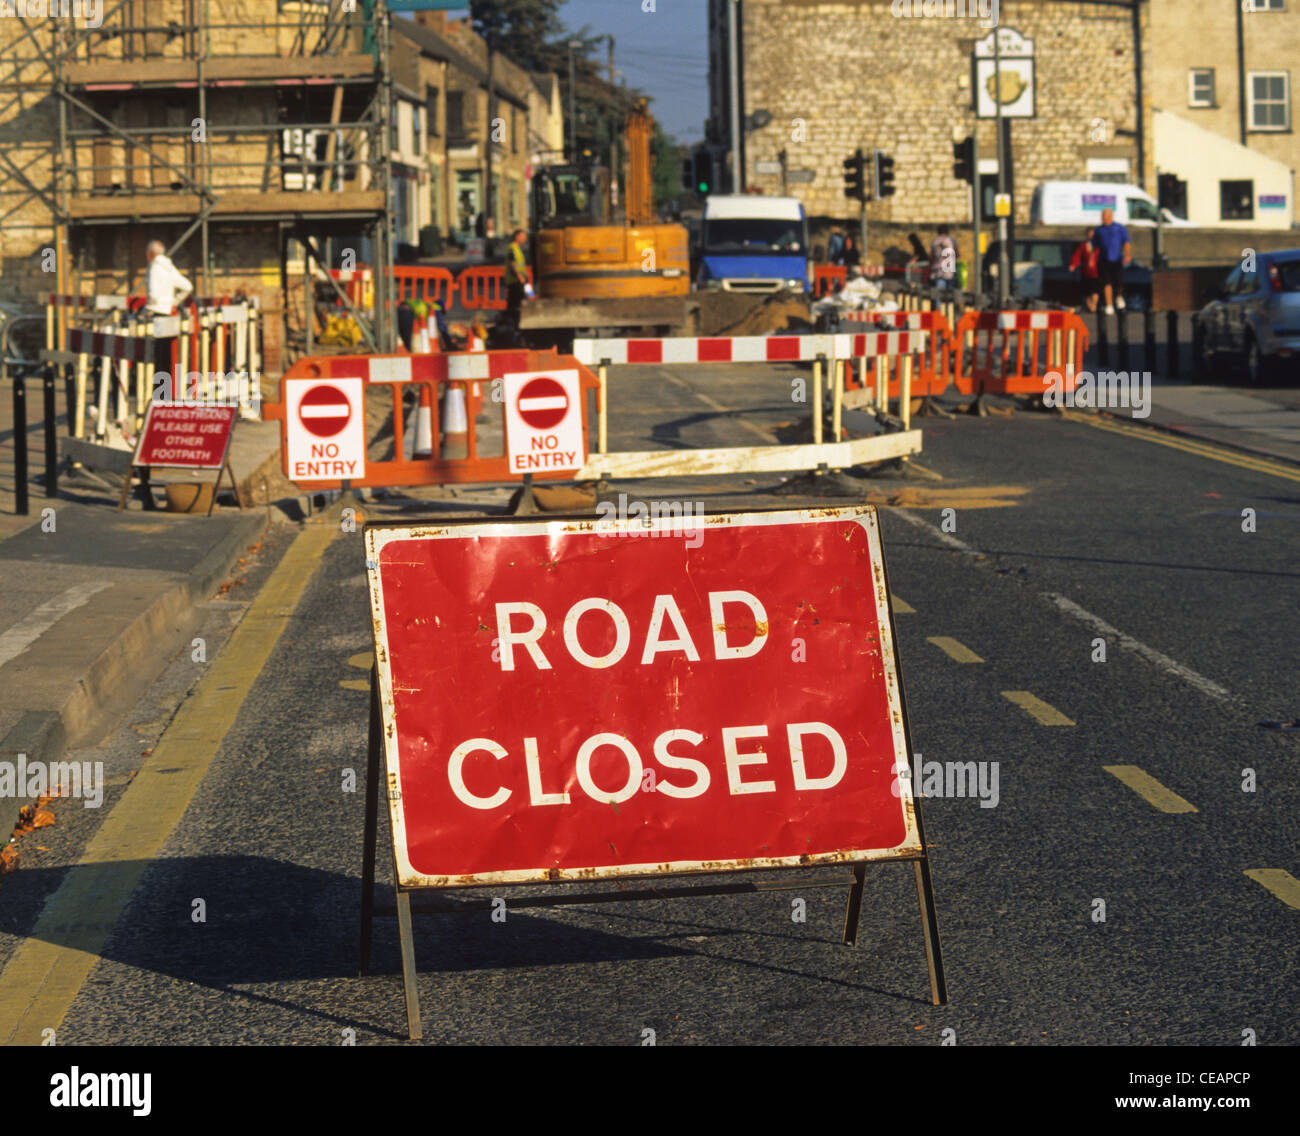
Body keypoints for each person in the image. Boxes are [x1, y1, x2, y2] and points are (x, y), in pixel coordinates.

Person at [145, 239, 192, 398]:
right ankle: (166, 393)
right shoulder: (169, 267)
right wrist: (173, 302)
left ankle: (156, 395)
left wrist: (150, 307)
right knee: (166, 355)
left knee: (155, 357)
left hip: (156, 315)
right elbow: (187, 286)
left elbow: (152, 293)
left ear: (150, 254)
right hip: (168, 314)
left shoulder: (154, 268)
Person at [1093, 207, 1131, 315]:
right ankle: (1109, 305)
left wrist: (1127, 255)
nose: (1104, 218)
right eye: (1103, 216)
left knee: (1118, 281)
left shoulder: (1119, 228)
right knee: (1107, 282)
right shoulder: (1099, 230)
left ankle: (1119, 296)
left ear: (1111, 216)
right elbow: (1094, 246)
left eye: (1106, 216)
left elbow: (1126, 242)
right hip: (1104, 260)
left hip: (1116, 259)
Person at [503, 228, 529, 331]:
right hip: (515, 282)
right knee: (514, 307)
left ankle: (514, 326)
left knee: (516, 306)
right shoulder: (512, 249)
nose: (525, 239)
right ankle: (512, 328)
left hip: (518, 281)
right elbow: (511, 264)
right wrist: (519, 276)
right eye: (523, 236)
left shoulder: (516, 248)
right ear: (517, 236)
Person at [1069, 227, 1101, 312]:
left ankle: (1094, 306)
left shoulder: (1099, 246)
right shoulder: (1083, 245)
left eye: (1093, 235)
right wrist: (1073, 264)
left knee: (1095, 291)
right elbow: (1077, 255)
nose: (1091, 236)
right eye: (1089, 234)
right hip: (1085, 272)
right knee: (1086, 292)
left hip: (1096, 272)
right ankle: (1090, 306)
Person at [929, 225, 957, 292]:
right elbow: (958, 254)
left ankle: (938, 302)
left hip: (938, 270)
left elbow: (931, 257)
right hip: (949, 270)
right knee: (950, 294)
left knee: (939, 293)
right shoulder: (952, 241)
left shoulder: (935, 242)